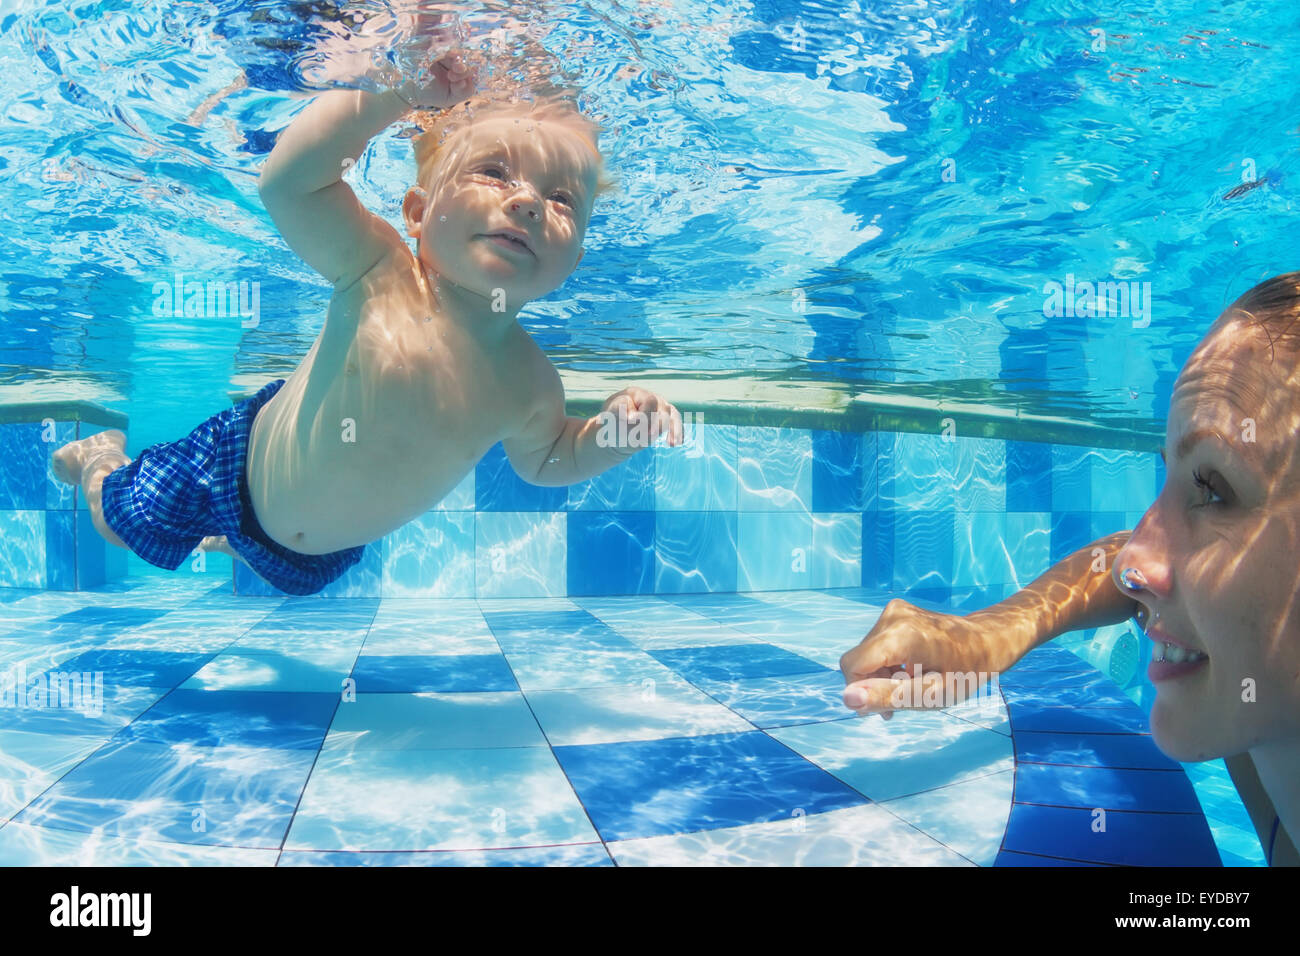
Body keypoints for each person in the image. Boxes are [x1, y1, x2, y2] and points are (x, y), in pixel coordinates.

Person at [52, 38, 682, 596]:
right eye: (493, 173)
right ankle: (98, 458)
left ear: (574, 258)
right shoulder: (379, 269)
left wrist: (615, 433)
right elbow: (289, 183)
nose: (526, 202)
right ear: (415, 212)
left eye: (562, 198)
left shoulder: (531, 381)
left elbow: (547, 462)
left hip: (316, 555)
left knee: (266, 561)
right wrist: (398, 92)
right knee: (122, 525)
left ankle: (226, 539)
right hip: (235, 464)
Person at [839, 272, 1300, 866]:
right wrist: (990, 633)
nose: (1135, 562)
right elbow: (1116, 561)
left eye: (1212, 488)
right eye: (1173, 480)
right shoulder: (1264, 718)